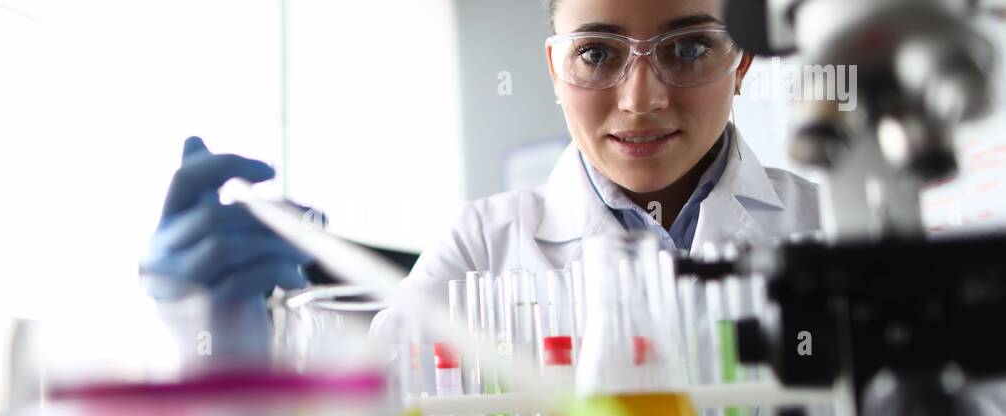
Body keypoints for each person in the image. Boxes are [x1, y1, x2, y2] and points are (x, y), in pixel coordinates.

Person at [142, 0, 820, 355]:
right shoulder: (477, 246)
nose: (641, 97)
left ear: (742, 61)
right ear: (556, 69)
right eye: (596, 52)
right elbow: (369, 411)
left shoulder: (832, 226)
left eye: (690, 47)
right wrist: (225, 343)